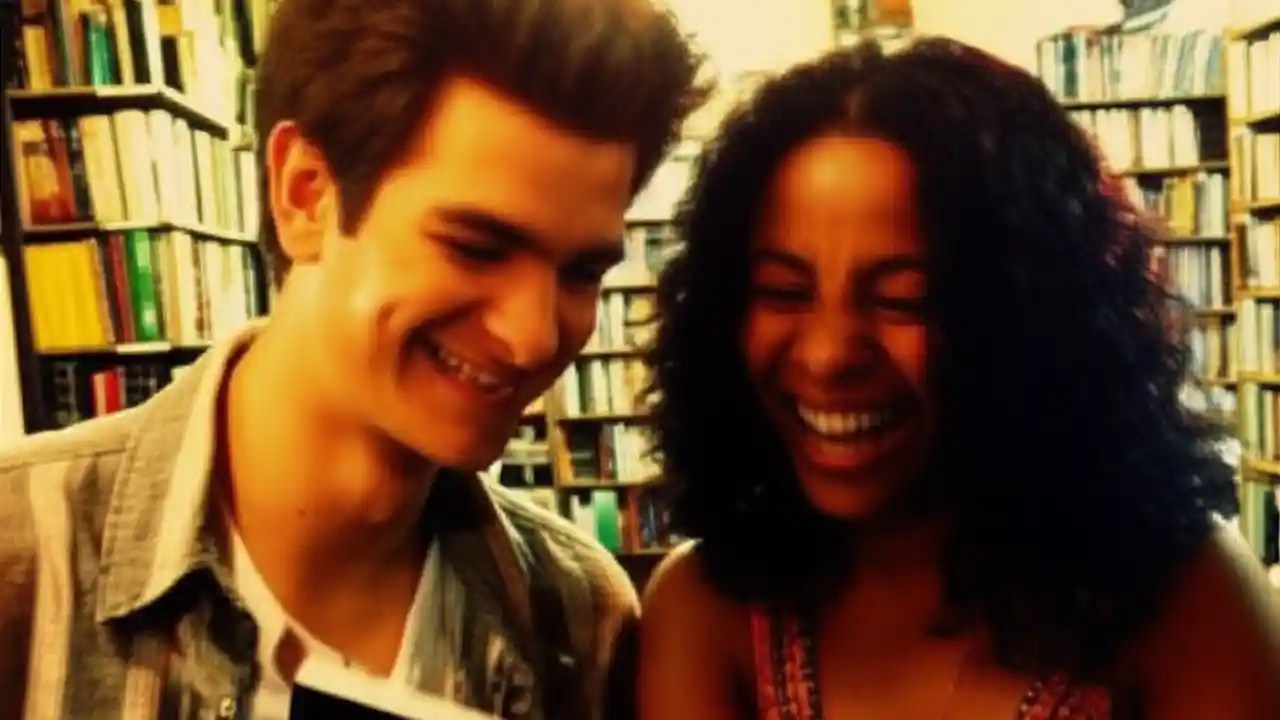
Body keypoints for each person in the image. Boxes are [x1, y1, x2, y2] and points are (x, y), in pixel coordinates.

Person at [0, 0, 705, 717]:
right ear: (305, 195)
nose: (533, 337)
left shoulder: (581, 620)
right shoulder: (23, 560)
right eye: (475, 247)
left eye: (581, 273)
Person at [637, 39, 1280, 720]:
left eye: (904, 299)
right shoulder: (707, 610)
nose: (827, 355)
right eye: (783, 290)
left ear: (1028, 319)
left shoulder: (1190, 598)